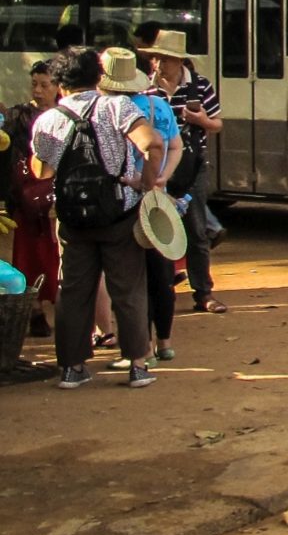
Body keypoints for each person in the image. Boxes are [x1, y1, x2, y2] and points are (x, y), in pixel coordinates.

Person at [32, 45, 167, 389]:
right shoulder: (115, 106)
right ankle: (138, 364)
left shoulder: (47, 120)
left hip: (73, 219)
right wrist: (145, 182)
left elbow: (42, 172)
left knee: (73, 291)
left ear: (60, 82)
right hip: (117, 211)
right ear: (98, 76)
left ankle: (72, 368)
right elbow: (152, 144)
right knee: (128, 288)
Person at [100, 47, 184, 367]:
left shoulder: (113, 110)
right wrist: (162, 178)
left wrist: (141, 179)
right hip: (159, 200)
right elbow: (175, 146)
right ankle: (165, 342)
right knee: (162, 275)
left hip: (128, 200)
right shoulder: (158, 104)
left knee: (132, 280)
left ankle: (141, 349)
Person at [137, 27, 227, 308]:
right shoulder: (147, 90)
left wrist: (200, 120)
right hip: (156, 166)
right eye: (156, 59)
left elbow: (217, 123)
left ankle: (203, 292)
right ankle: (164, 290)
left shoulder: (200, 85)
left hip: (191, 166)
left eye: (165, 59)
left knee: (197, 229)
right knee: (158, 229)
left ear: (180, 62)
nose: (159, 64)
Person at [5, 60, 61, 337]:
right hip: (27, 203)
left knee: (58, 258)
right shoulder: (19, 117)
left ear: (58, 86)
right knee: (28, 257)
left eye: (44, 85)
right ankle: (35, 310)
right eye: (34, 84)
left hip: (60, 201)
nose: (38, 91)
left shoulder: (68, 115)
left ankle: (65, 312)